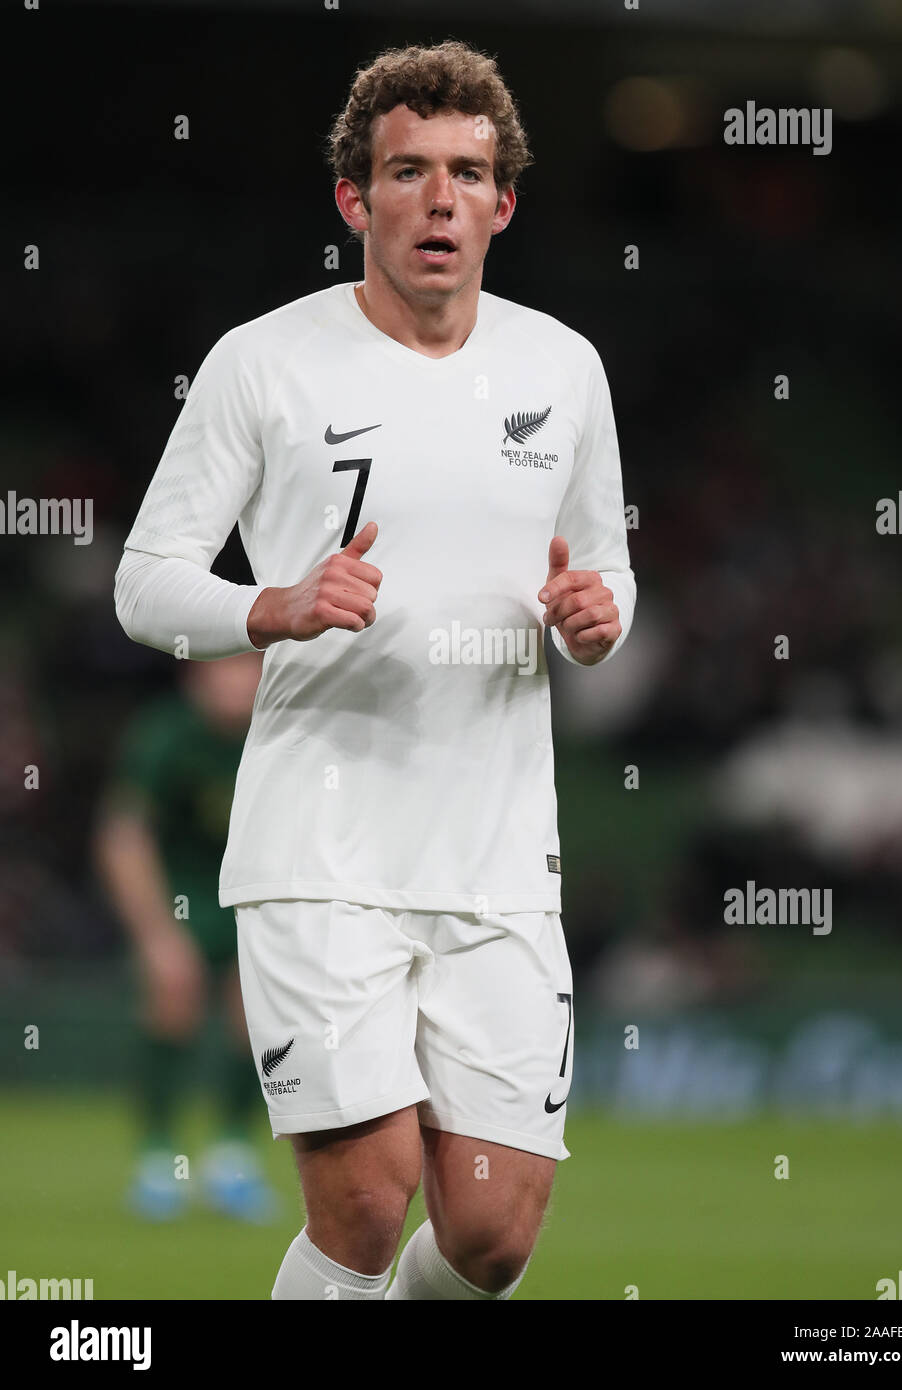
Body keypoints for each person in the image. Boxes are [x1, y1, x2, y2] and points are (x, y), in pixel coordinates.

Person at [114, 39, 635, 1300]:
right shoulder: (264, 361)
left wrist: (595, 616)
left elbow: (611, 573)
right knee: (363, 1198)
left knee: (492, 1235)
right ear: (356, 200)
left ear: (504, 200)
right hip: (321, 849)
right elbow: (144, 580)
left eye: (468, 172)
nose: (440, 198)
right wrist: (272, 604)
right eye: (408, 171)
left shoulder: (564, 370)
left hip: (500, 857)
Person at [95, 652, 279, 1223]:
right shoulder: (165, 735)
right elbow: (124, 836)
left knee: (255, 1012)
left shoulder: (281, 731)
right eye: (220, 670)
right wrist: (156, 935)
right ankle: (157, 1160)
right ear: (196, 677)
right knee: (172, 994)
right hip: (182, 894)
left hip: (252, 894)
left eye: (243, 669)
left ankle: (232, 1156)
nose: (232, 683)